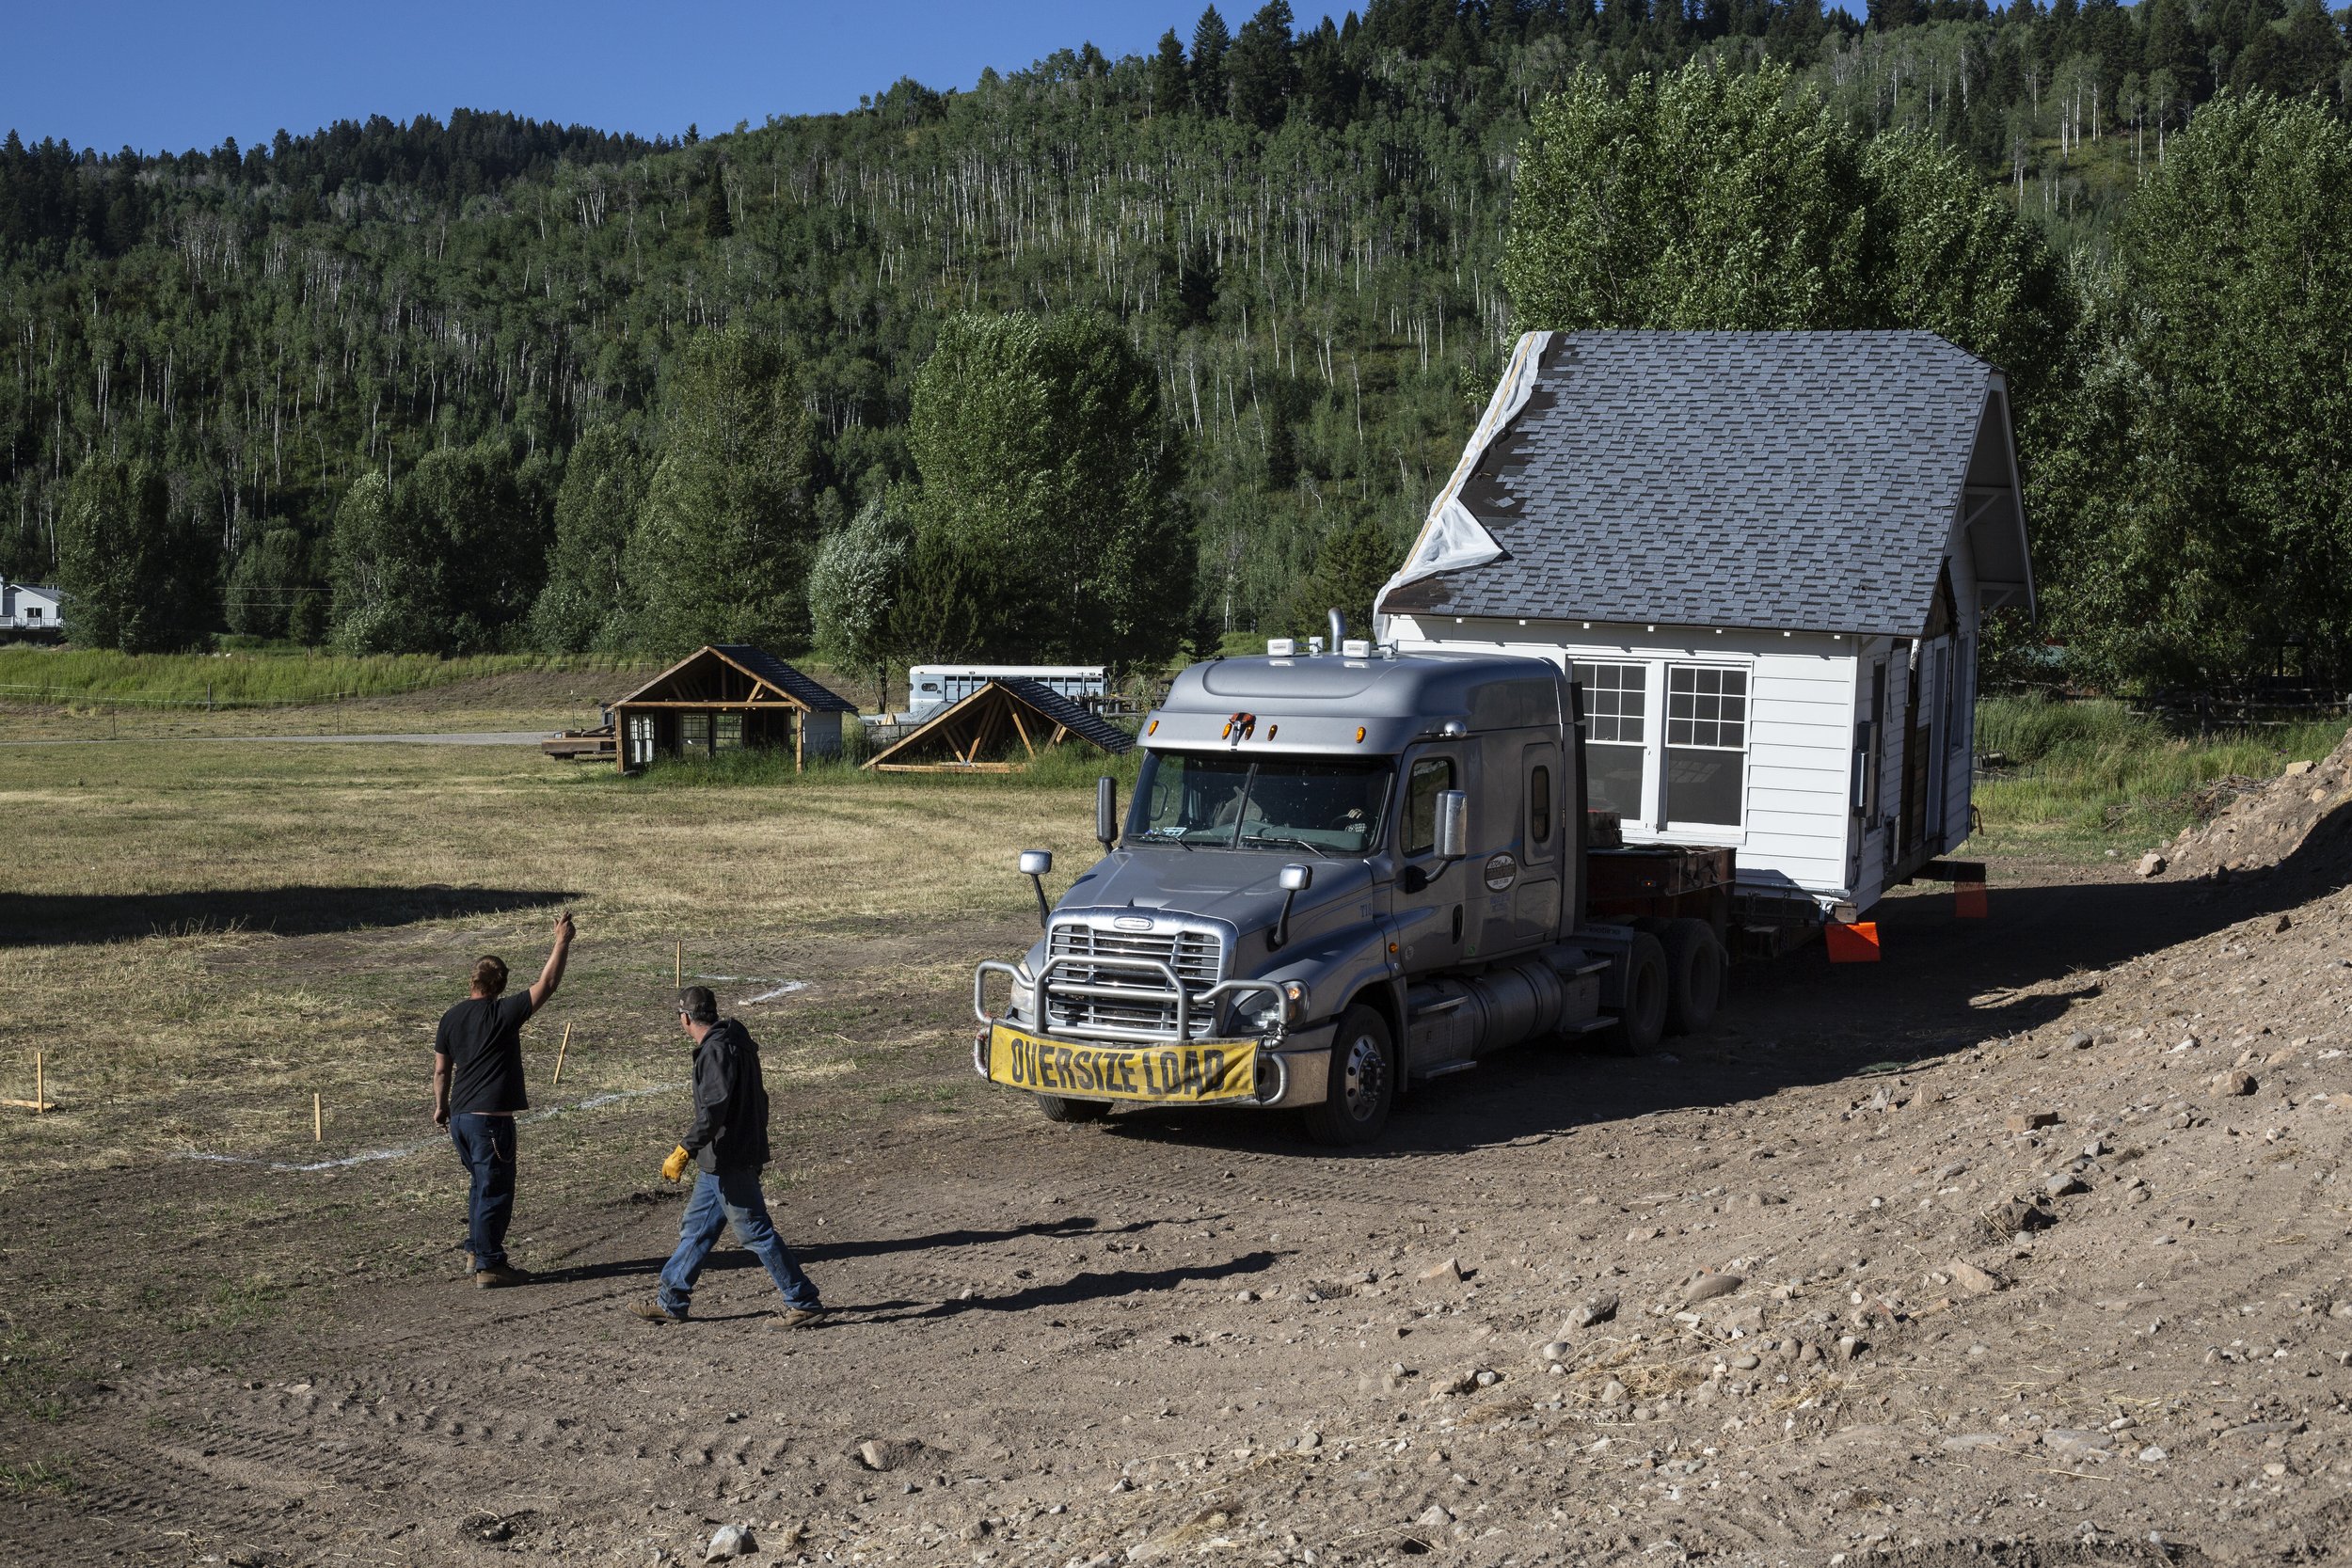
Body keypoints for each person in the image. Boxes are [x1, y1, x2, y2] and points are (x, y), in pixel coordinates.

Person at [632, 987, 825, 1329]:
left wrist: (685, 1149)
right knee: (696, 1229)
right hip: (722, 1159)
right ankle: (671, 1301)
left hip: (730, 1159)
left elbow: (713, 1111)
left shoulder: (716, 1051)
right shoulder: (735, 1041)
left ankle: (802, 1301)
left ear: (685, 1018)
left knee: (755, 1231)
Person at [431, 911, 574, 1288]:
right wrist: (561, 942)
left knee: (480, 1186)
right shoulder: (503, 1012)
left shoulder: (450, 1017)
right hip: (490, 1122)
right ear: (501, 986)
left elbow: (441, 1071)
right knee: (494, 1190)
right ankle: (490, 1265)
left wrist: (441, 1106)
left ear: (472, 982)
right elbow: (548, 983)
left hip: (460, 1119)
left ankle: (475, 1251)